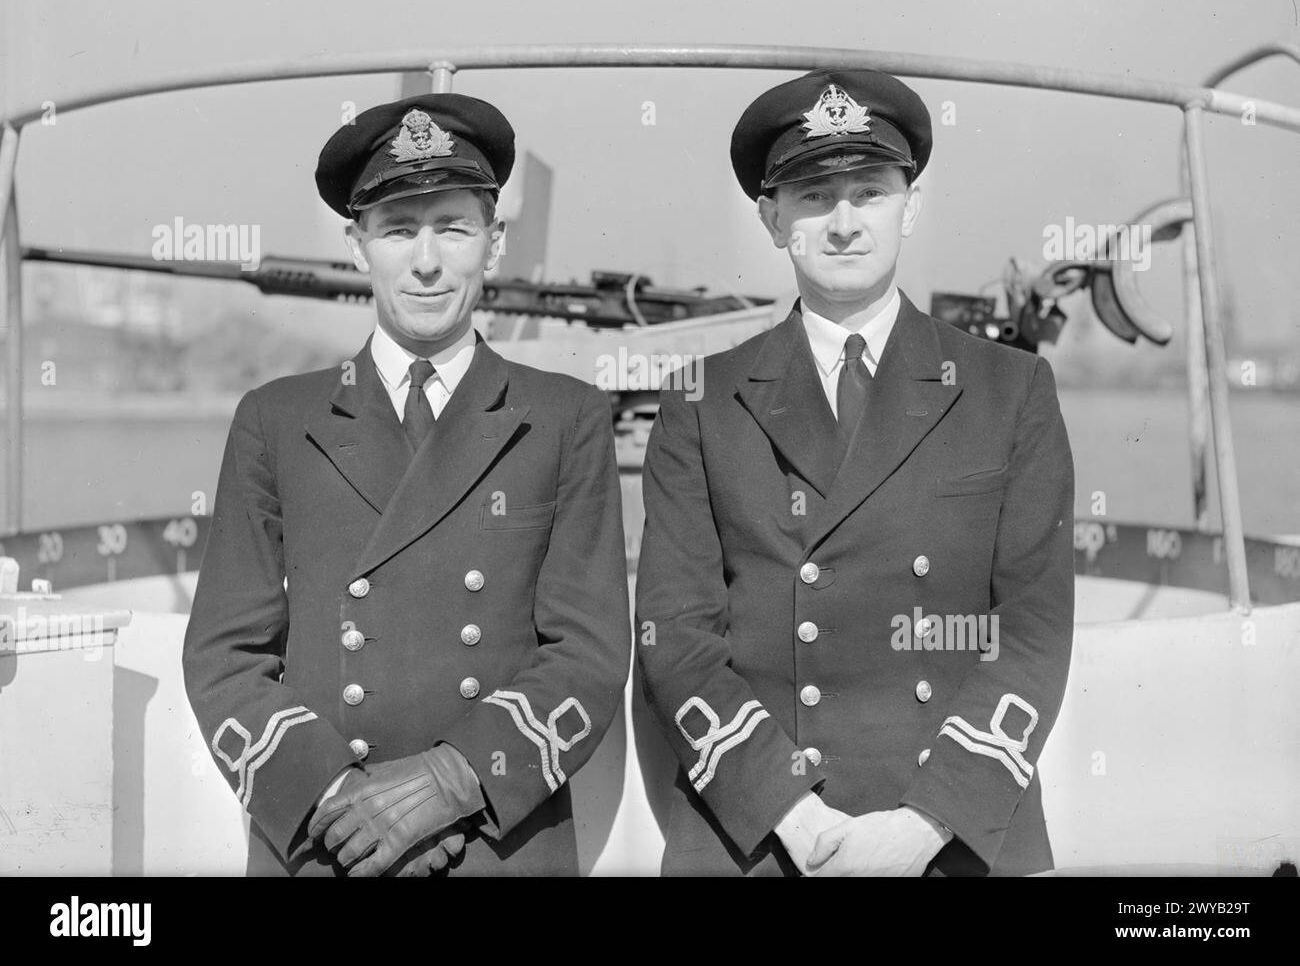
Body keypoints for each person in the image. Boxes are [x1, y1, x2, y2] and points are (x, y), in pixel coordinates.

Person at [635, 69, 1074, 876]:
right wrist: (798, 821)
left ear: (910, 205)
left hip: (957, 834)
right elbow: (677, 637)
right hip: (762, 836)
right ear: (773, 220)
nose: (843, 223)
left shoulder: (1010, 392)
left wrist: (920, 827)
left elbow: (1033, 629)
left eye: (869, 192)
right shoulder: (701, 402)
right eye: (812, 197)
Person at [183, 92, 630, 876]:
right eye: (397, 229)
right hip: (326, 847)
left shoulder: (565, 417)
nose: (426, 260)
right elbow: (224, 653)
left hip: (498, 837)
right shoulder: (275, 420)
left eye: (453, 227)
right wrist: (344, 804)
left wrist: (448, 781)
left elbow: (588, 652)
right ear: (359, 246)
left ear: (492, 243)